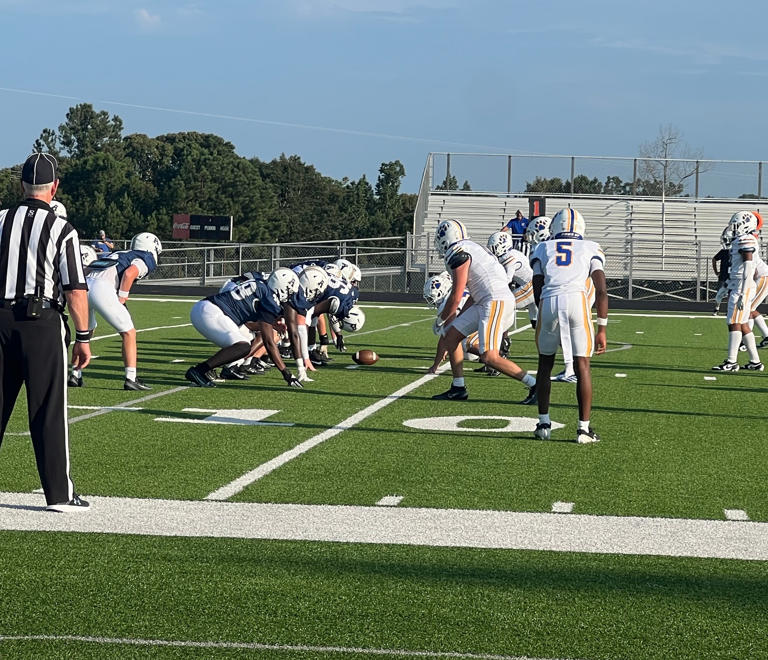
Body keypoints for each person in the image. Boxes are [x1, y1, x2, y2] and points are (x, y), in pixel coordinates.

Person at [0, 153, 91, 511]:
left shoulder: (1, 220)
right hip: (40, 323)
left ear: (21, 185)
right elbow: (75, 290)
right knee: (47, 409)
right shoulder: (62, 229)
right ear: (54, 188)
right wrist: (83, 337)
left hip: (0, 319)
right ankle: (59, 494)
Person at [430, 219, 538, 403]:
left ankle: (536, 385)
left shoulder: (459, 253)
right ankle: (458, 388)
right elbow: (473, 292)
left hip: (494, 301)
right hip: (486, 300)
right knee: (451, 336)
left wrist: (441, 318)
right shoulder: (471, 247)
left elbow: (456, 295)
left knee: (489, 356)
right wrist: (457, 317)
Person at [530, 208, 608, 443]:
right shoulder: (590, 247)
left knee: (545, 364)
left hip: (548, 300)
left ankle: (544, 424)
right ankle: (583, 430)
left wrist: (544, 310)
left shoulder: (543, 247)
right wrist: (602, 327)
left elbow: (537, 284)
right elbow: (602, 289)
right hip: (577, 300)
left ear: (554, 228)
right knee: (582, 364)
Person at [70, 232, 162, 390]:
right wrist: (122, 298)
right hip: (102, 288)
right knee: (128, 332)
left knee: (85, 332)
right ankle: (131, 378)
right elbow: (129, 273)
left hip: (86, 284)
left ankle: (75, 374)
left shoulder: (119, 253)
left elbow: (89, 269)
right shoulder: (146, 257)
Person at [185, 268, 305, 388]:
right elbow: (269, 342)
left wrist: (272, 324)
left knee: (247, 339)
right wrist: (286, 373)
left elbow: (249, 322)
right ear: (282, 288)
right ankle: (199, 371)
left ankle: (211, 367)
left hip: (210, 309)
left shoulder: (262, 287)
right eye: (290, 291)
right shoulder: (269, 298)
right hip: (211, 313)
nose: (291, 295)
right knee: (243, 346)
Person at [712, 211, 764, 372]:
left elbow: (749, 268)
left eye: (737, 226)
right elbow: (739, 269)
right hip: (738, 284)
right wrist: (726, 286)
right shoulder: (741, 240)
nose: (733, 230)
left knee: (733, 323)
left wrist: (742, 292)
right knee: (742, 324)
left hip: (742, 286)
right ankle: (755, 362)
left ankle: (731, 362)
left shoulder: (746, 240)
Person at [711, 228, 731, 315]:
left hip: (732, 276)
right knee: (719, 294)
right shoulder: (724, 252)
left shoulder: (737, 251)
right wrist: (716, 272)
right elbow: (714, 259)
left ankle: (729, 310)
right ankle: (716, 309)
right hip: (724, 276)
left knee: (731, 295)